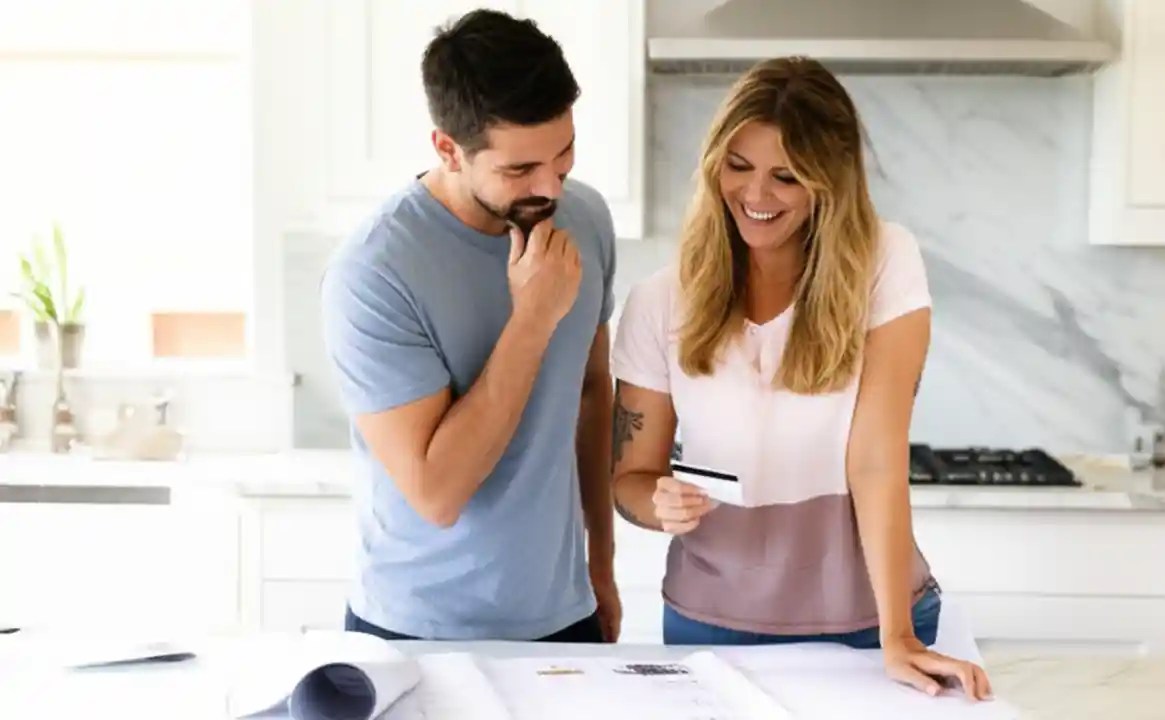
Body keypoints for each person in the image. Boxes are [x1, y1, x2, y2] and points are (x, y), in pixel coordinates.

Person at [610, 57, 993, 700]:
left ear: (829, 182)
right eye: (739, 167)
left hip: (868, 624)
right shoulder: (659, 300)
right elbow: (629, 480)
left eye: (786, 176)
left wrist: (897, 636)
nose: (757, 196)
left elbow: (875, 458)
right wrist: (658, 504)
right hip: (710, 626)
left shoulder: (883, 262)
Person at [319, 8, 620, 643]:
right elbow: (437, 493)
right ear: (448, 149)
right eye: (519, 170)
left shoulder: (586, 219)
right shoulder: (376, 271)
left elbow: (593, 395)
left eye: (562, 155)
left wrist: (602, 564)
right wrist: (533, 319)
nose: (551, 188)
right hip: (416, 633)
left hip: (565, 618)